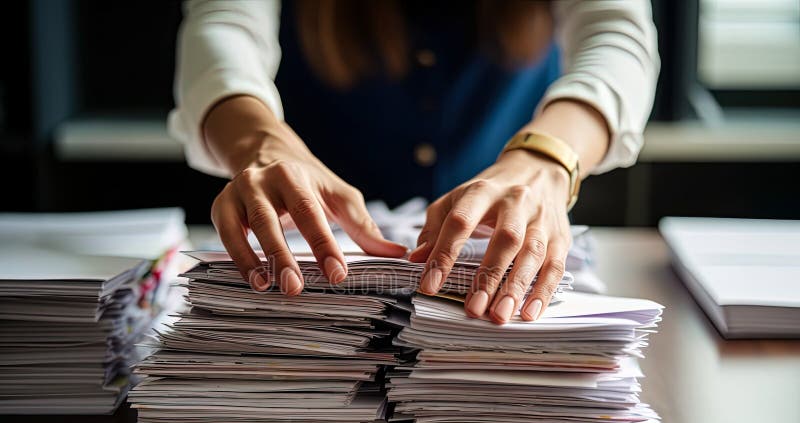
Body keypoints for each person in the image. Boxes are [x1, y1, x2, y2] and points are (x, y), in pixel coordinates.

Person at [169, 0, 659, 324]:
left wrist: (546, 161)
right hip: (302, 232)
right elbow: (222, 22)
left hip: (503, 217)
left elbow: (616, 33)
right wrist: (261, 144)